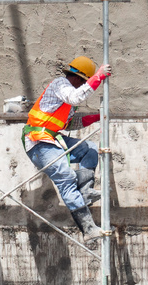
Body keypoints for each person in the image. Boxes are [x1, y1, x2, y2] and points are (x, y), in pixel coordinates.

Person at [23, 55, 111, 247]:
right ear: (80, 79)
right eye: (86, 82)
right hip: (38, 142)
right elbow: (77, 96)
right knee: (66, 179)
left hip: (53, 141)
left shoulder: (66, 100)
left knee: (90, 149)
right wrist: (98, 77)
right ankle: (87, 229)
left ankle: (85, 191)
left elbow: (70, 123)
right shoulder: (60, 85)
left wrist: (97, 117)